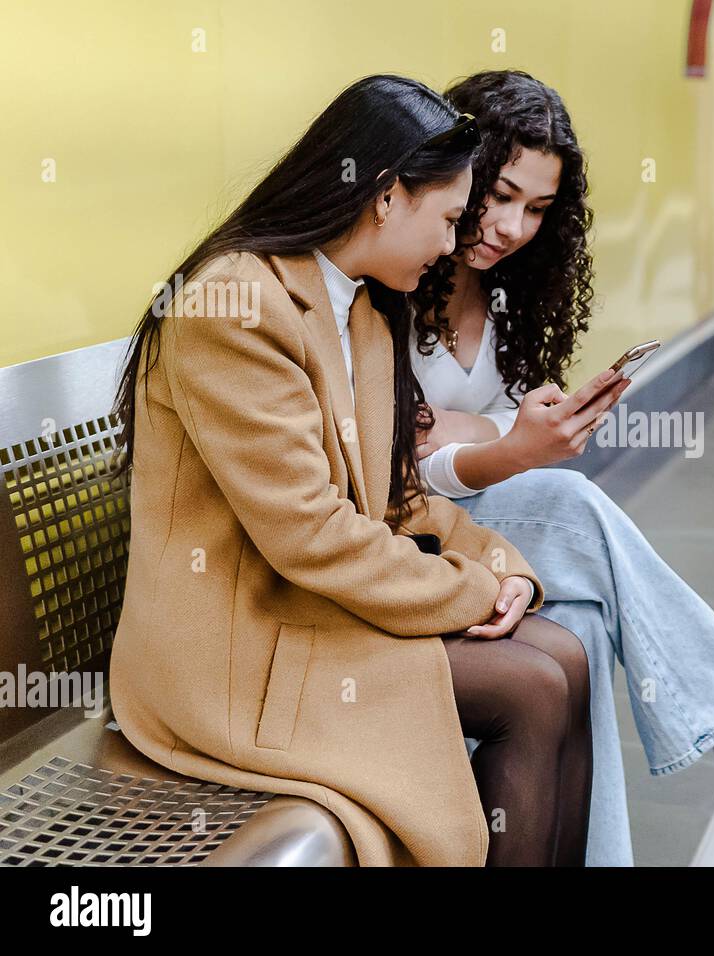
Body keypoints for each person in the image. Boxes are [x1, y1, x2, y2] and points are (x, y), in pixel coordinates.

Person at [388, 70, 714, 867]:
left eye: (537, 210)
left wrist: (479, 435)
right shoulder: (397, 277)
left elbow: (477, 431)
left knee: (583, 626)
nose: (513, 226)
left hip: (479, 520)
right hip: (405, 539)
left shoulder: (509, 297)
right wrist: (506, 449)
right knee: (565, 500)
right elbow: (395, 466)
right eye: (499, 195)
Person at [107, 75, 594, 866]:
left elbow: (395, 495)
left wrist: (500, 565)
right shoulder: (234, 305)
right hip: (236, 655)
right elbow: (312, 535)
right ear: (384, 197)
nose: (450, 246)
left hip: (308, 615)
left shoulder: (363, 310)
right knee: (532, 687)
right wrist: (469, 592)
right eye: (445, 219)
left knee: (565, 654)